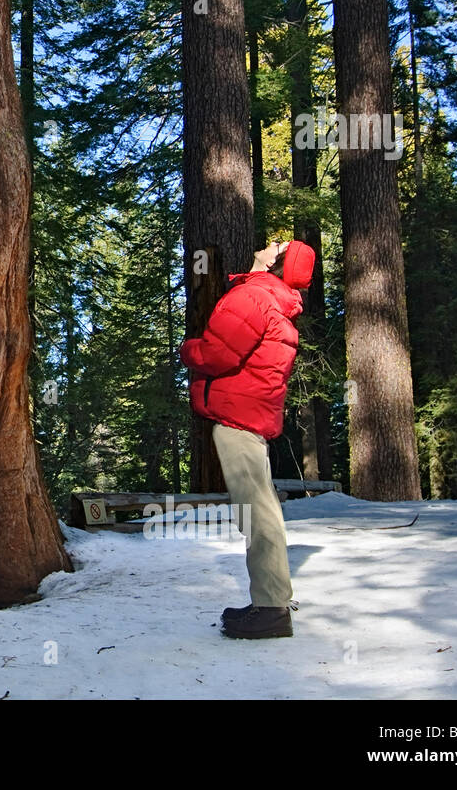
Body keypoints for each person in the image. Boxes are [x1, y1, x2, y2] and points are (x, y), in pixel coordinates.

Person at [179, 238, 316, 639]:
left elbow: (216, 353)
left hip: (237, 419)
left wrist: (188, 350)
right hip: (250, 417)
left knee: (256, 513)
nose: (269, 243)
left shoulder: (254, 297)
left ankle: (271, 610)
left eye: (278, 245)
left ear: (277, 263)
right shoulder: (275, 302)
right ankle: (271, 602)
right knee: (261, 509)